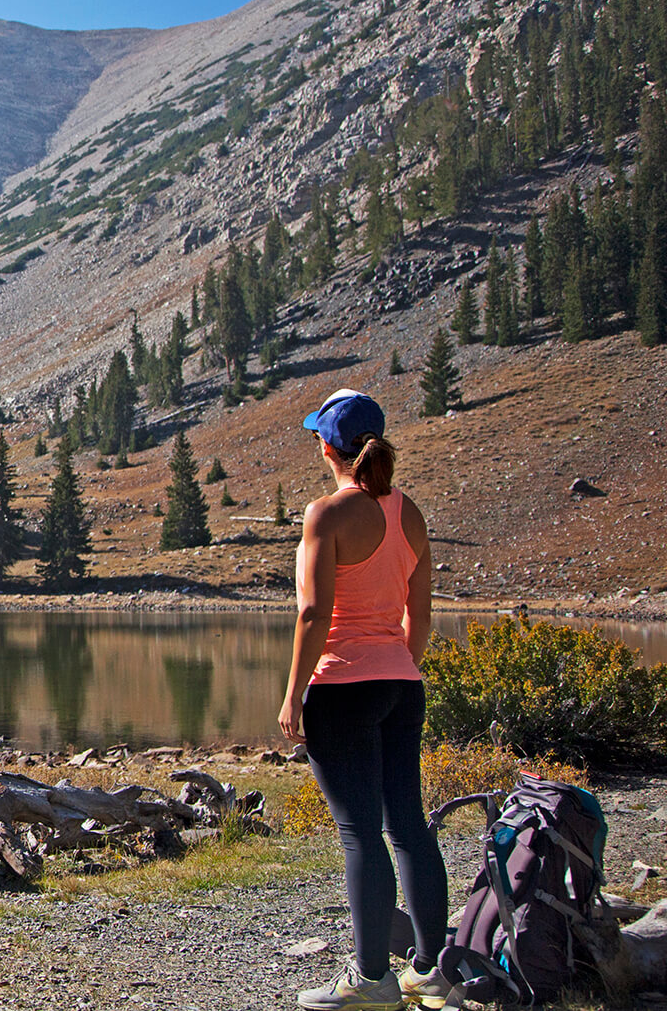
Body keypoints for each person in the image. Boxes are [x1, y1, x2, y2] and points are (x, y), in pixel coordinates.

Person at [280, 389, 451, 1011]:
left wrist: (295, 691)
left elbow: (311, 612)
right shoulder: (410, 514)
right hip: (403, 684)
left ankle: (373, 978)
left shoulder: (325, 514)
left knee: (359, 834)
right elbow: (420, 616)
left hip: (344, 686)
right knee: (408, 827)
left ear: (328, 446)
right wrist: (399, 669)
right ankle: (433, 972)